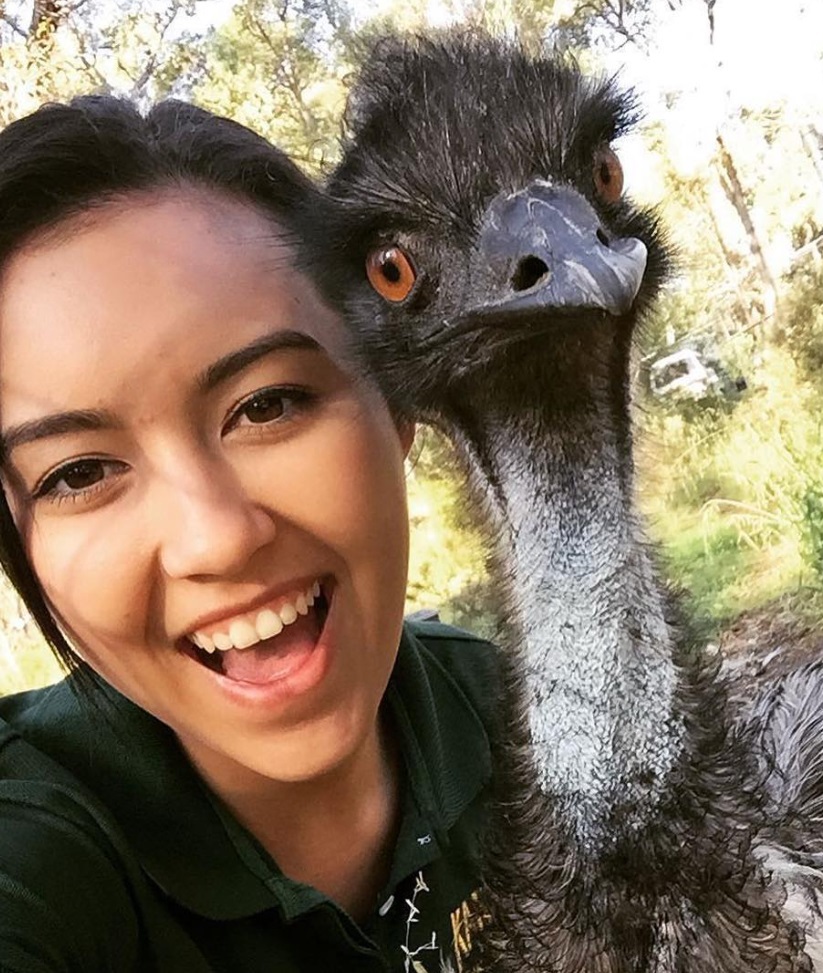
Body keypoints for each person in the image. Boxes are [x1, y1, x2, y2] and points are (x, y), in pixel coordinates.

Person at [0, 95, 497, 972]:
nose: (217, 540)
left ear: (397, 401)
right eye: (78, 472)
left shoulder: (520, 718)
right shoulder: (43, 852)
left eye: (266, 404)